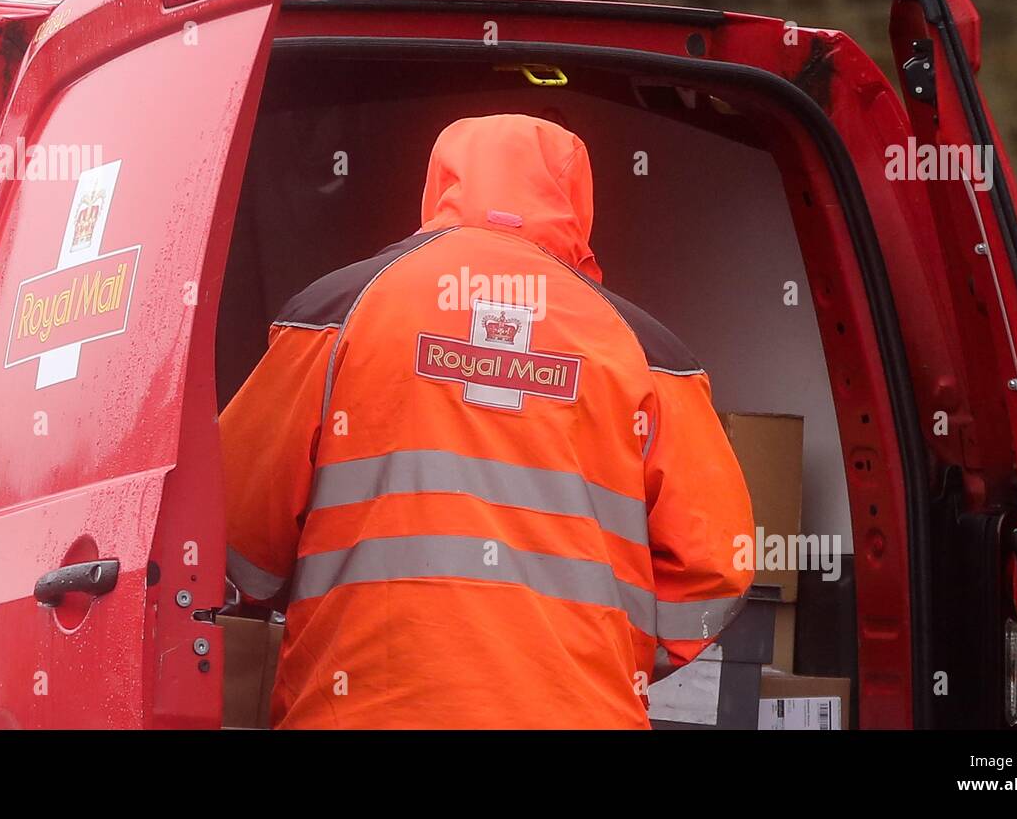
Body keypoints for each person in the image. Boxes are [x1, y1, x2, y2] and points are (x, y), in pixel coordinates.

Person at [221, 113, 754, 728]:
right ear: (578, 201)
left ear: (440, 184)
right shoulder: (648, 355)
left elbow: (236, 526)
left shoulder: (337, 316)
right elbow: (715, 569)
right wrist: (611, 654)